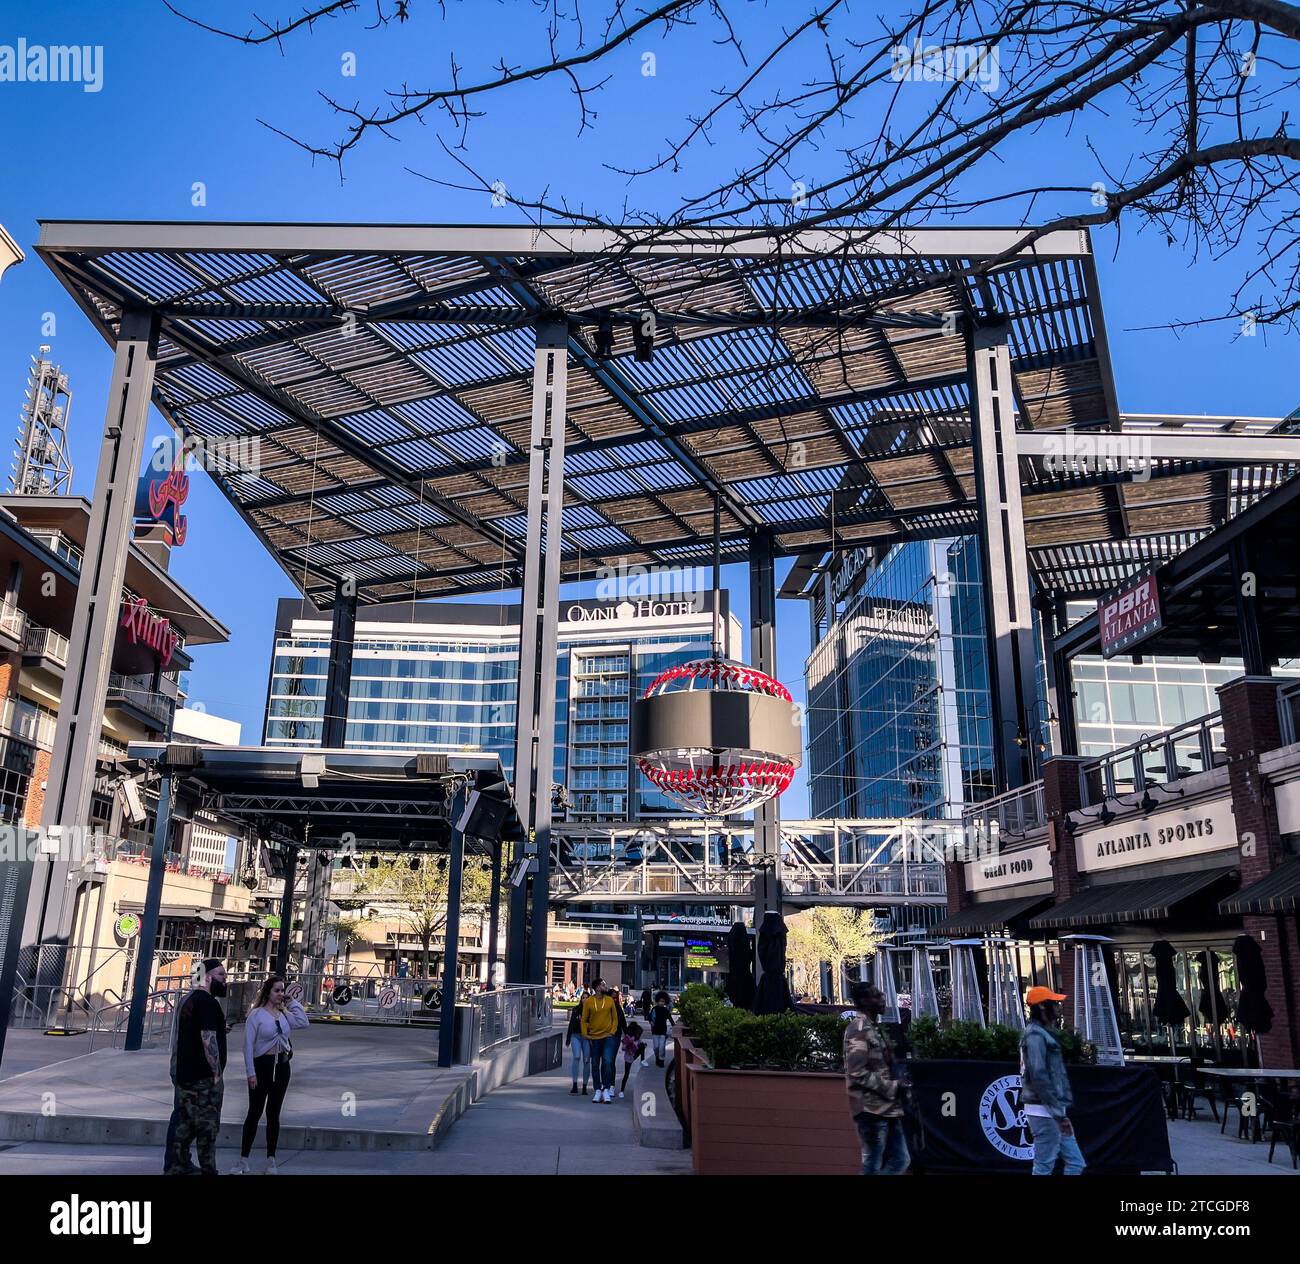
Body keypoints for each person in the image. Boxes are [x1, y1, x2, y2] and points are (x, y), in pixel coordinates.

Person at [231, 975, 309, 1174]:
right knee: (254, 1112)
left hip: (281, 1066)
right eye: (277, 990)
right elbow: (247, 1046)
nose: (280, 994)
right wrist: (251, 1072)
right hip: (262, 1065)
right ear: (267, 992)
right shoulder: (256, 1015)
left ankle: (271, 1159)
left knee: (273, 1113)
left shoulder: (284, 1015)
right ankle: (243, 1159)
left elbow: (303, 1021)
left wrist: (292, 1002)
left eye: (283, 990)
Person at [164, 958, 228, 1176]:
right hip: (203, 1078)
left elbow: (185, 1034)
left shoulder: (188, 1000)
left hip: (184, 1074)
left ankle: (176, 1165)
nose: (225, 980)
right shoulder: (208, 1003)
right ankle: (209, 1169)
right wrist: (216, 1073)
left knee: (184, 1124)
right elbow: (207, 1038)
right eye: (221, 975)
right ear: (208, 977)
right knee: (207, 1127)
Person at [843, 981, 909, 1175]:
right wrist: (892, 1087)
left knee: (900, 1159)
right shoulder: (859, 1028)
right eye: (876, 995)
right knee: (874, 1163)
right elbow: (856, 1073)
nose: (882, 998)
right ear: (864, 1001)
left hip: (887, 1107)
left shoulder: (874, 1027)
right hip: (870, 1109)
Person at [1020, 985, 1086, 1176]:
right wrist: (1059, 1114)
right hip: (1045, 1113)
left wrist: (1059, 1113)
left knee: (1075, 1163)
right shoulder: (1035, 1035)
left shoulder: (1038, 1033)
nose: (1058, 1007)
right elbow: (1039, 1077)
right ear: (1042, 1007)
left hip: (1049, 1111)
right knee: (1045, 1167)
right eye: (1054, 1003)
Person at [580, 978, 622, 1103]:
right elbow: (584, 1019)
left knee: (607, 1062)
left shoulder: (609, 1000)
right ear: (597, 987)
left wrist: (612, 1031)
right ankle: (597, 1090)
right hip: (594, 1037)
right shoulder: (589, 1002)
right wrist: (584, 1034)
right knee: (595, 1064)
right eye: (603, 985)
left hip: (608, 1037)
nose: (605, 986)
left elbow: (615, 1018)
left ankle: (606, 1089)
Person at [566, 990, 591, 1096]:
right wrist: (568, 1038)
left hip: (587, 1037)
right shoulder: (576, 1010)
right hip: (575, 1035)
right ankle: (575, 1084)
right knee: (576, 1057)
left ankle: (585, 1086)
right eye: (583, 998)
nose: (585, 999)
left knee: (586, 1060)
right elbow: (571, 1024)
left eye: (587, 998)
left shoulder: (592, 1011)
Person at [618, 1022, 647, 1098]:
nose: (639, 1035)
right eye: (638, 1034)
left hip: (634, 1054)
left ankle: (642, 1060)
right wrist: (629, 1043)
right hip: (628, 1057)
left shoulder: (637, 1038)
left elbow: (640, 1044)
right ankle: (621, 1091)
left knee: (642, 1046)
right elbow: (623, 1048)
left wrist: (642, 1045)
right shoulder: (627, 1037)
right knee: (626, 1074)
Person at [649, 990, 673, 1067]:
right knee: (656, 1047)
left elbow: (670, 1019)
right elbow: (650, 1018)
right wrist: (651, 1022)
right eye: (660, 1001)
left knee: (662, 1047)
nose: (661, 1003)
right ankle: (657, 1057)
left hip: (663, 1031)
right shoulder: (654, 1009)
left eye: (663, 1001)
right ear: (657, 1001)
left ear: (665, 1002)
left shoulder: (665, 1010)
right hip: (655, 1030)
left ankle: (661, 1060)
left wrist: (674, 1026)